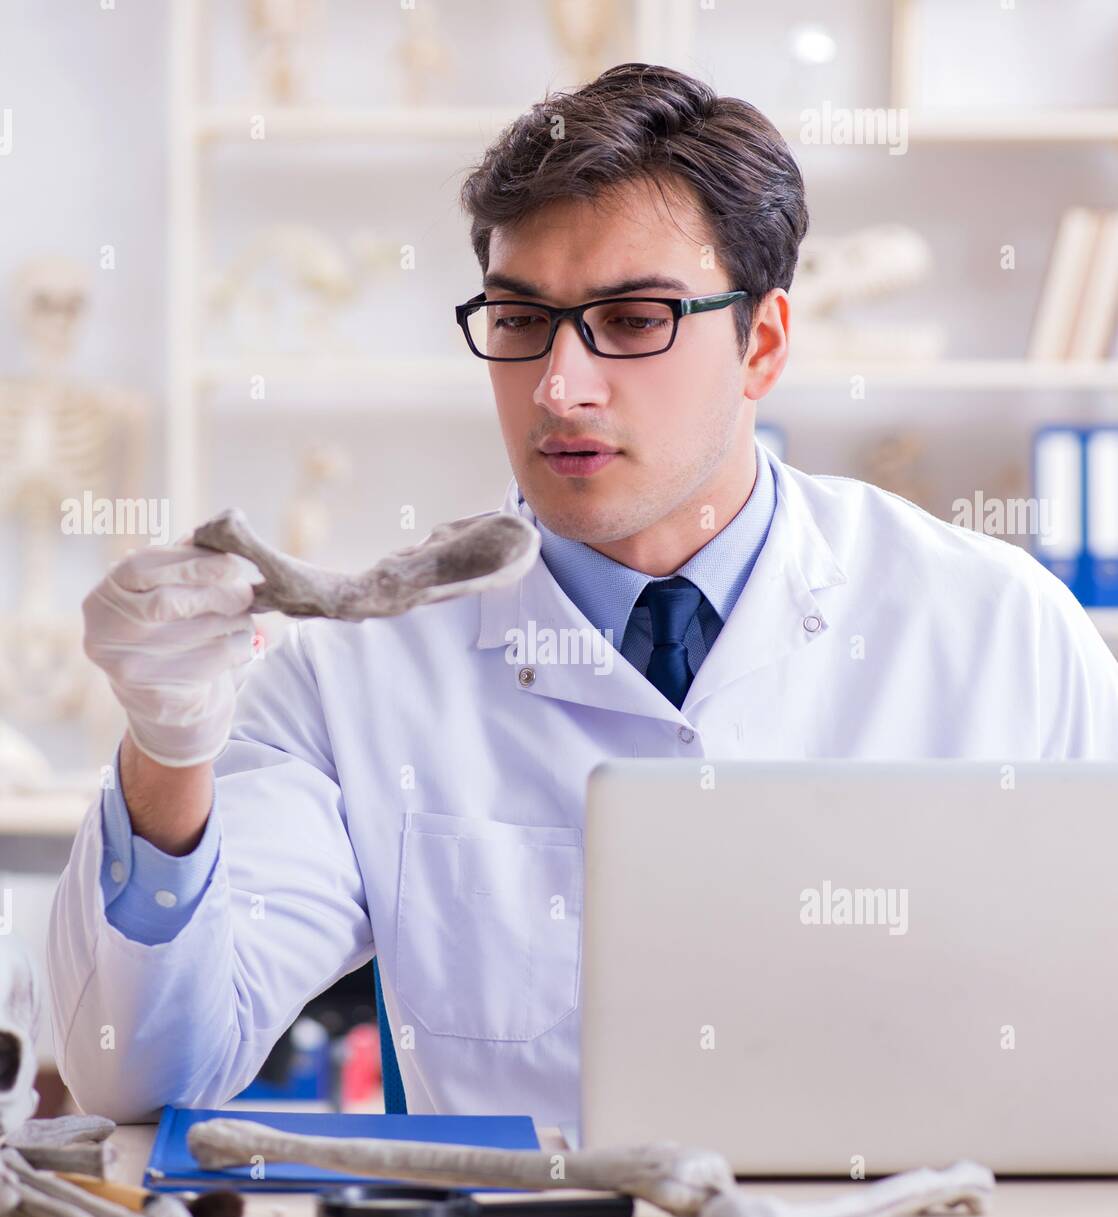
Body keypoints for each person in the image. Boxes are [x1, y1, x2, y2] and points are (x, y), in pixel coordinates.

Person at [49, 64, 1118, 1127]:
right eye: (520, 321)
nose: (558, 386)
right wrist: (167, 753)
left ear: (764, 344)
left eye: (632, 316)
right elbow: (141, 1078)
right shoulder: (357, 671)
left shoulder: (999, 630)